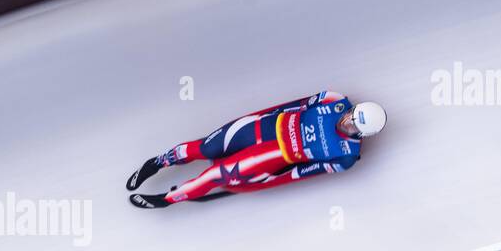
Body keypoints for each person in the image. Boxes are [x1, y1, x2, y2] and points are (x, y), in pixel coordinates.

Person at [126, 92, 386, 208]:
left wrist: (266, 181)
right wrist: (257, 117)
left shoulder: (346, 155)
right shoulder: (334, 100)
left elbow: (304, 172)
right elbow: (292, 105)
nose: (347, 122)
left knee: (216, 175)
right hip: (261, 127)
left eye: (354, 125)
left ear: (361, 134)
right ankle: (157, 163)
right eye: (352, 115)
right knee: (205, 147)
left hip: (270, 157)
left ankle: (167, 200)